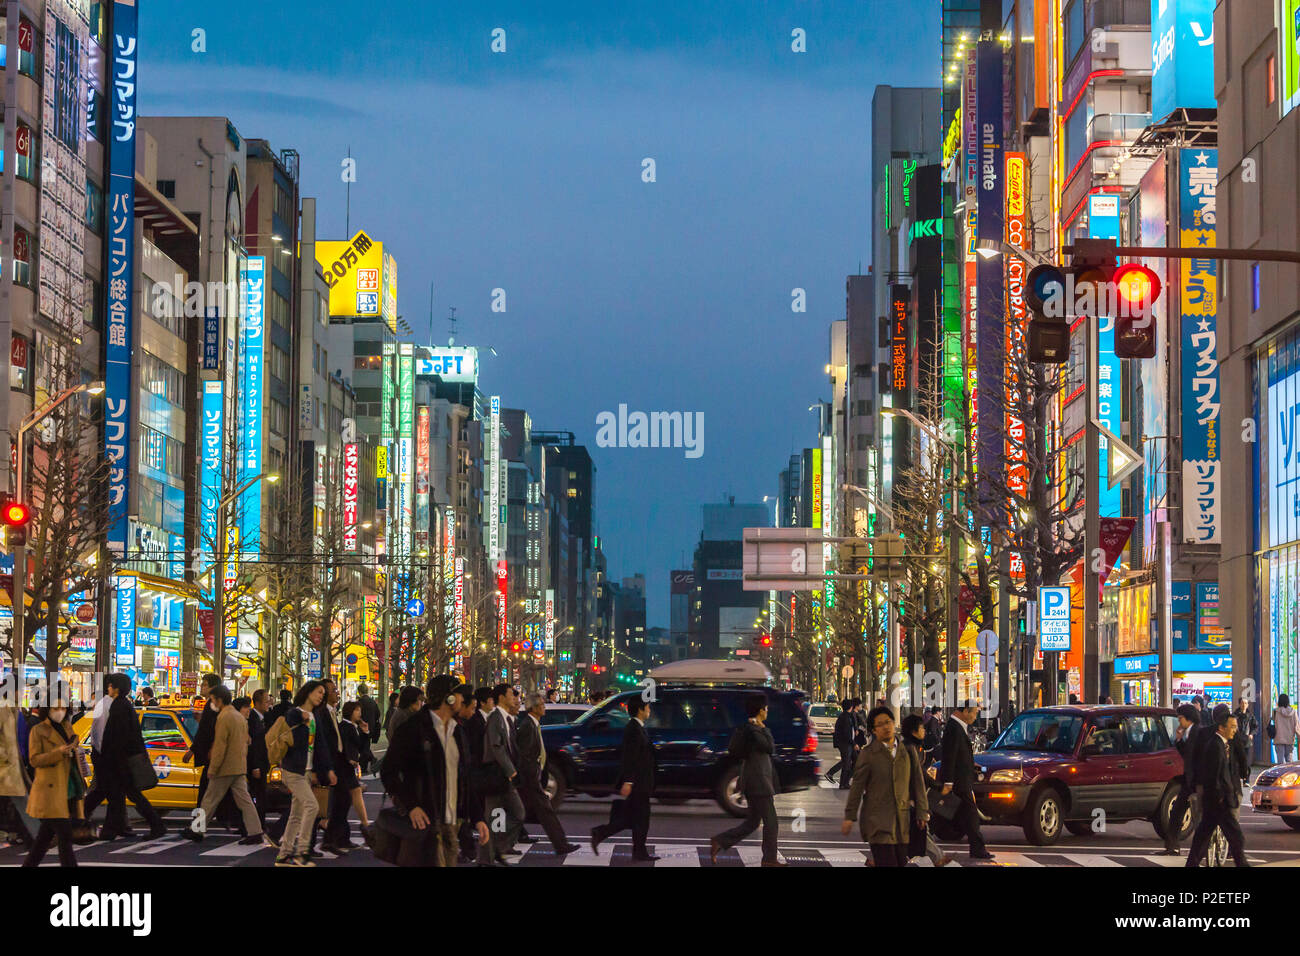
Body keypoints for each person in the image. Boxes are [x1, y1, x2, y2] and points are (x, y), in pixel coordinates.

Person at [383, 676, 490, 866]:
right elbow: (389, 771)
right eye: (458, 694)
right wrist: (411, 806)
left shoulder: (458, 731)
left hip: (451, 824)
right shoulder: (414, 729)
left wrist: (477, 818)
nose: (462, 700)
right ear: (447, 698)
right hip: (424, 822)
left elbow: (463, 778)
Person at [181, 685, 272, 847]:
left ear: (219, 700)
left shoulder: (224, 717)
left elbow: (220, 745)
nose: (212, 703)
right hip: (238, 766)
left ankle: (197, 830)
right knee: (245, 801)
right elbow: (247, 741)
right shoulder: (238, 717)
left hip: (224, 767)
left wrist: (213, 767)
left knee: (209, 799)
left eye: (213, 699)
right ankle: (256, 831)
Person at [841, 706, 929, 867]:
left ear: (894, 723)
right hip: (877, 822)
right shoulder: (868, 754)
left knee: (900, 862)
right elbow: (857, 787)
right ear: (874, 730)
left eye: (888, 722)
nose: (886, 727)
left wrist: (922, 812)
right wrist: (849, 816)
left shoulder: (907, 751)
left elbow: (918, 782)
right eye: (880, 725)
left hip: (902, 822)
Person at [710, 694, 784, 866]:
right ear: (760, 711)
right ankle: (769, 859)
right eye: (766, 708)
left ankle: (720, 841)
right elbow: (769, 747)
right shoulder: (754, 730)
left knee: (751, 823)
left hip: (755, 780)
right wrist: (763, 728)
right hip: (758, 782)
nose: (767, 711)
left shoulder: (749, 728)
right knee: (771, 822)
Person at [93, 673, 166, 842]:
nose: (108, 688)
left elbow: (116, 737)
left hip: (121, 760)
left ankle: (156, 825)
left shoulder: (119, 707)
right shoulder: (124, 705)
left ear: (116, 688)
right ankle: (113, 829)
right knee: (119, 795)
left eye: (110, 686)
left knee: (128, 794)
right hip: (123, 759)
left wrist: (108, 757)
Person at [590, 696, 657, 861]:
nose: (649, 710)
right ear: (640, 709)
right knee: (641, 818)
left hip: (641, 781)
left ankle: (601, 833)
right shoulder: (633, 729)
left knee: (632, 818)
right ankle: (638, 851)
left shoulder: (638, 727)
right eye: (647, 707)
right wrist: (628, 781)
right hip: (638, 782)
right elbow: (630, 757)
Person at [275, 681, 335, 867]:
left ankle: (284, 855)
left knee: (296, 813)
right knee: (312, 806)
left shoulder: (315, 716)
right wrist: (302, 717)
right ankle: (302, 853)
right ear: (308, 692)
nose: (320, 696)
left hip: (306, 771)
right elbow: (290, 718)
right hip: (293, 770)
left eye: (323, 694)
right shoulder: (295, 712)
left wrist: (328, 769)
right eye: (318, 692)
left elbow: (321, 745)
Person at [516, 691, 580, 855]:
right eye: (542, 705)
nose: (545, 708)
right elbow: (525, 756)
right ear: (534, 708)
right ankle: (561, 844)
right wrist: (533, 777)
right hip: (530, 779)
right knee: (546, 812)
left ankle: (515, 836)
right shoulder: (527, 727)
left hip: (532, 778)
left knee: (518, 810)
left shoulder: (533, 725)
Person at [23, 704, 85, 867]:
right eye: (55, 707)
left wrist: (73, 745)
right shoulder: (38, 730)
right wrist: (59, 752)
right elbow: (34, 759)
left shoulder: (66, 726)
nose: (60, 711)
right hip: (50, 790)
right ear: (47, 708)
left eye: (63, 707)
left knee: (43, 840)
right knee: (64, 837)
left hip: (68, 786)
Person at [1185, 711, 1249, 867]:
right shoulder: (1215, 746)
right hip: (1219, 801)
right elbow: (1214, 775)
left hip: (1216, 801)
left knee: (1203, 835)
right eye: (1232, 727)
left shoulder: (1222, 744)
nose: (1235, 730)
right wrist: (1221, 796)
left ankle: (1191, 864)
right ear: (1221, 728)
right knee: (1236, 836)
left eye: (1236, 727)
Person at [940, 700, 993, 861]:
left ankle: (977, 848)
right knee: (970, 815)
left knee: (960, 815)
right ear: (964, 711)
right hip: (959, 782)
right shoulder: (954, 728)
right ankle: (978, 848)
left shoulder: (957, 727)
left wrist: (971, 764)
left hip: (961, 779)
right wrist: (948, 782)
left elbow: (958, 754)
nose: (975, 717)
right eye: (974, 713)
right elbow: (949, 756)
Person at [481, 683, 527, 864]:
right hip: (495, 774)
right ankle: (487, 856)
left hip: (504, 776)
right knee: (494, 818)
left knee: (516, 814)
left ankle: (498, 847)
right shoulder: (496, 718)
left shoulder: (506, 719)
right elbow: (496, 747)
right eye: (511, 694)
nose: (514, 698)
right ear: (501, 697)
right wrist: (512, 771)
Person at [900, 713, 952, 866]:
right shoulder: (909, 748)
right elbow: (919, 775)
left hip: (908, 796)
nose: (924, 730)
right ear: (913, 731)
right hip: (906, 797)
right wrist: (938, 786)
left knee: (917, 830)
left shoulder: (912, 747)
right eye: (921, 728)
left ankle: (937, 856)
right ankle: (937, 857)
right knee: (918, 829)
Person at [317, 679, 356, 855]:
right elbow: (324, 740)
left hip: (339, 761)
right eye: (333, 690)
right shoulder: (322, 713)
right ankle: (330, 839)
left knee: (342, 800)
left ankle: (336, 838)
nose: (337, 693)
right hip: (330, 762)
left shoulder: (332, 711)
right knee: (331, 803)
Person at [1162, 703, 1203, 856]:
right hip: (1189, 780)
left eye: (1180, 719)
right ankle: (1172, 846)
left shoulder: (1198, 732)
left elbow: (1195, 756)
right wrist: (1179, 741)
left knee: (1202, 816)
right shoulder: (1188, 732)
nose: (1179, 722)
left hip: (1197, 781)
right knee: (1177, 812)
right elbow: (1187, 754)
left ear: (1188, 719)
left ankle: (1201, 848)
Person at [338, 701, 372, 834]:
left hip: (348, 765)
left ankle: (327, 823)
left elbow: (361, 747)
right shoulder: (346, 726)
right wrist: (349, 758)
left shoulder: (352, 726)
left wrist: (365, 731)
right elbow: (344, 745)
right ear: (350, 712)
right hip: (345, 766)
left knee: (345, 797)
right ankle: (365, 824)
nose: (360, 713)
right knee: (353, 793)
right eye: (357, 710)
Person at [0, 704, 31, 847]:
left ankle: (32, 835)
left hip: (14, 765)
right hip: (9, 766)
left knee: (18, 801)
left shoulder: (15, 713)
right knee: (20, 801)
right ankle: (34, 835)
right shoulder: (7, 712)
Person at [246, 690, 270, 826]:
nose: (269, 703)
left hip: (261, 764)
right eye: (266, 701)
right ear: (258, 703)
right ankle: (257, 825)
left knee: (259, 795)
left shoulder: (260, 718)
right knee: (257, 795)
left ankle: (256, 824)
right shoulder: (253, 719)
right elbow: (253, 745)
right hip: (256, 765)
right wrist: (255, 766)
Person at [827, 699, 857, 789]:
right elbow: (846, 733)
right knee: (846, 763)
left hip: (847, 743)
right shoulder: (845, 718)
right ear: (851, 707)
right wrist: (853, 743)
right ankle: (843, 783)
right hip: (846, 743)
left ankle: (844, 782)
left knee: (851, 761)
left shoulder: (846, 716)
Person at [1270, 694, 1297, 764]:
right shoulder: (1293, 712)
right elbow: (1296, 725)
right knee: (1289, 761)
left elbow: (1273, 719)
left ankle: (1281, 775)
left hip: (1279, 738)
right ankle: (1289, 774)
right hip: (1290, 739)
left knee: (1280, 761)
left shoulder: (1275, 711)